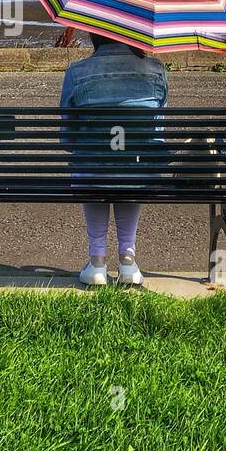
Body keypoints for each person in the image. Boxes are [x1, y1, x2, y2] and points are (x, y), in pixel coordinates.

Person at [59, 32, 168, 286]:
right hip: (137, 174)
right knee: (131, 165)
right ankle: (127, 261)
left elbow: (66, 139)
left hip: (91, 175)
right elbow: (157, 136)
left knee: (91, 163)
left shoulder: (77, 72)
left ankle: (97, 261)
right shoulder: (156, 71)